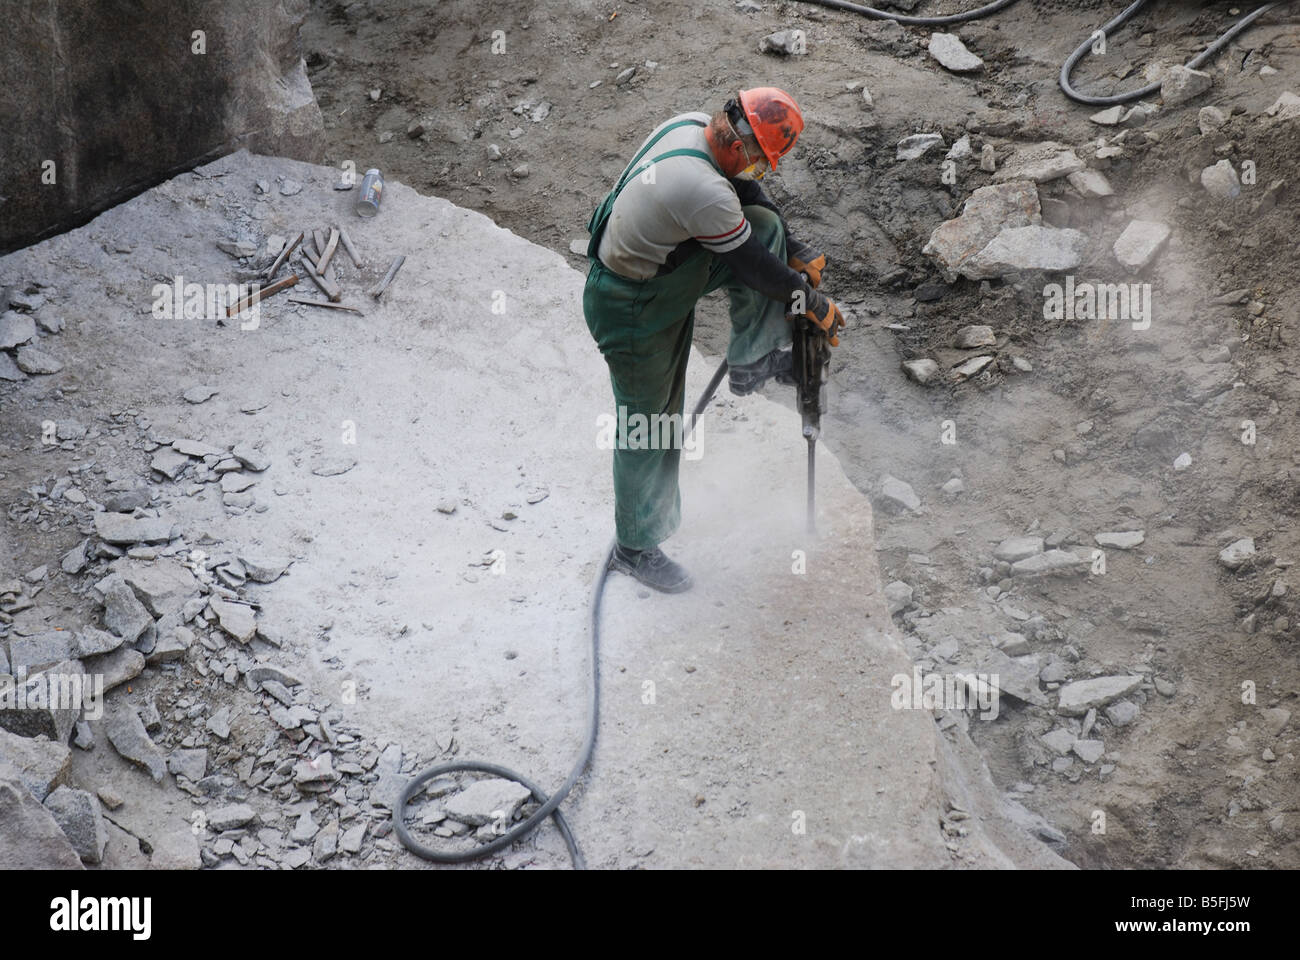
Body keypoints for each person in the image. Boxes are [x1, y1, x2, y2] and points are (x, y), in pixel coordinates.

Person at [583, 87, 845, 593]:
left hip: (663, 275)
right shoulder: (698, 189)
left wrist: (792, 245)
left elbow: (749, 200)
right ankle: (634, 548)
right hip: (630, 305)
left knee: (766, 226)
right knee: (650, 423)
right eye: (758, 162)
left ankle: (753, 359)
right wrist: (813, 304)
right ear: (737, 145)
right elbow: (752, 266)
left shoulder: (693, 127)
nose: (755, 172)